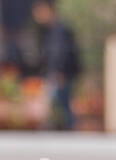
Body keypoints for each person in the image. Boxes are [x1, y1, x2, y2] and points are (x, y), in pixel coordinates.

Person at [31, 0, 81, 130]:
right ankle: (60, 128)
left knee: (59, 104)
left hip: (59, 75)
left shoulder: (60, 30)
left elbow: (62, 53)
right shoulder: (50, 30)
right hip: (54, 74)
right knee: (58, 104)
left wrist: (59, 72)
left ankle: (67, 129)